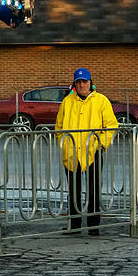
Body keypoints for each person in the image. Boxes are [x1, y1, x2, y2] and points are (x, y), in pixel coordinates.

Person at [55, 67, 116, 235]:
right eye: (79, 82)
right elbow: (59, 126)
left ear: (91, 83)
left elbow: (111, 125)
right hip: (72, 153)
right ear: (75, 84)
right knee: (73, 191)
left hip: (92, 152)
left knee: (93, 190)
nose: (82, 85)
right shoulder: (67, 101)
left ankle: (93, 226)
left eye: (85, 82)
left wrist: (101, 145)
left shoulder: (101, 100)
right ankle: (74, 226)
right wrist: (63, 144)